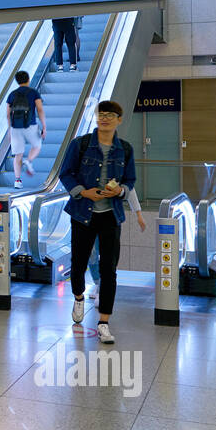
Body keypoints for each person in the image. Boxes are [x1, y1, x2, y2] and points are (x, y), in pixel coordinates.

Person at [58, 100, 137, 343]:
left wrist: (121, 191)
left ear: (118, 120)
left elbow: (130, 179)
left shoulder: (125, 148)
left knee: (109, 270)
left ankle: (104, 321)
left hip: (111, 215)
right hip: (83, 212)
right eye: (101, 114)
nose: (105, 118)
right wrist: (83, 191)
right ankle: (79, 298)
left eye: (110, 115)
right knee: (79, 262)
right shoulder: (80, 145)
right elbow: (66, 173)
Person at [86, 184, 145, 298]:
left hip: (110, 218)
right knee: (91, 254)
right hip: (89, 216)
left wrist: (138, 214)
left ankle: (102, 288)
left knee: (107, 255)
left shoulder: (116, 169)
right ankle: (98, 283)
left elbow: (130, 189)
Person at [6, 70, 45, 189]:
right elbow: (40, 109)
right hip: (31, 125)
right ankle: (29, 160)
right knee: (37, 146)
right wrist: (44, 126)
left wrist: (9, 129)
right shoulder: (33, 93)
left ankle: (17, 180)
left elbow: (8, 114)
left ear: (17, 81)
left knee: (18, 155)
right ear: (28, 79)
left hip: (15, 127)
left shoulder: (12, 94)